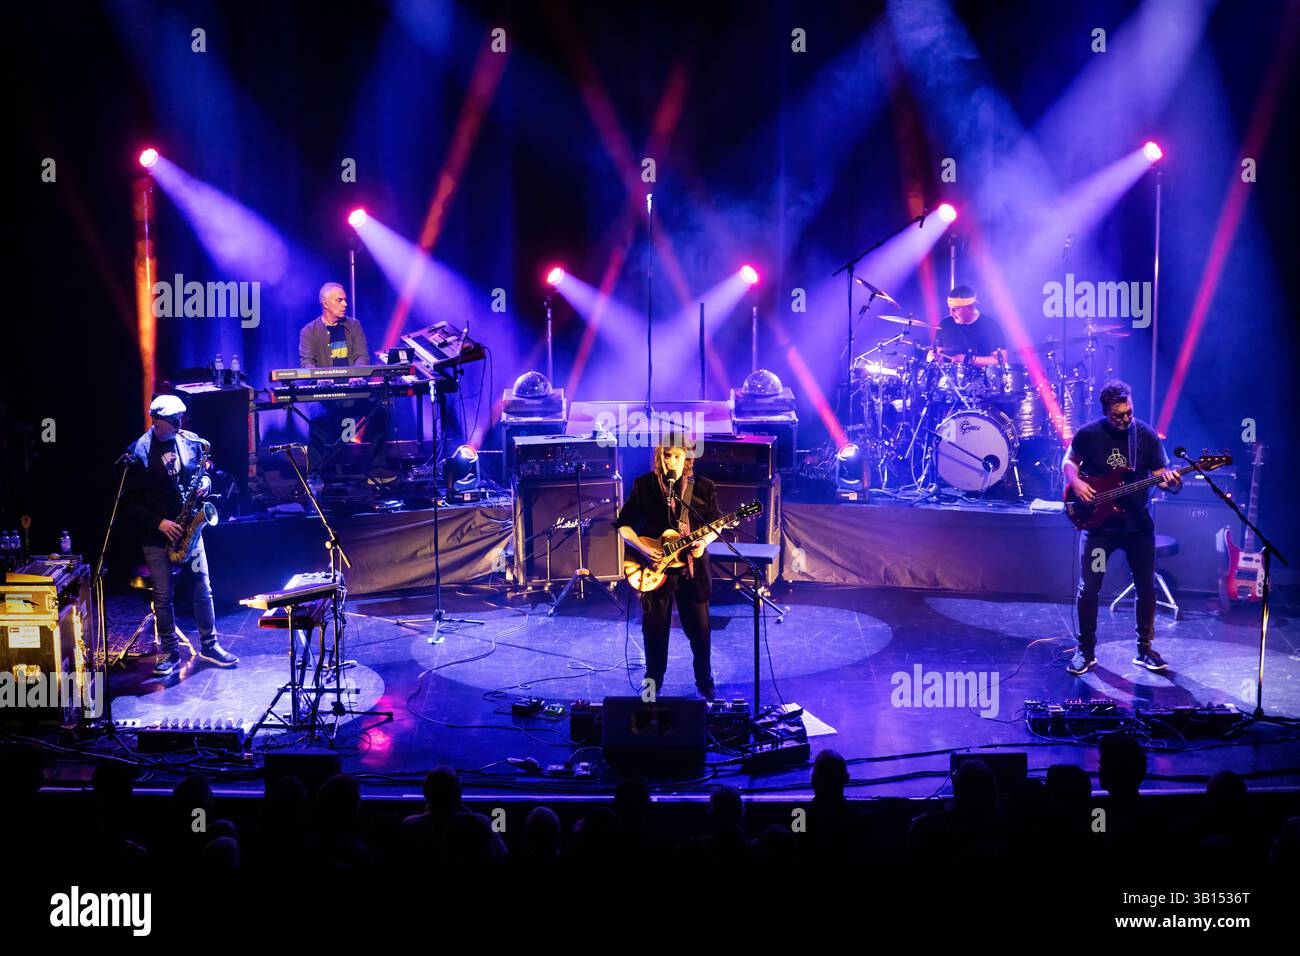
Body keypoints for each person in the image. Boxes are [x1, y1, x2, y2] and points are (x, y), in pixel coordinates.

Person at [1063, 380, 1181, 674]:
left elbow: (1160, 475)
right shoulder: (1089, 434)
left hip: (1137, 528)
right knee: (1090, 588)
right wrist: (1075, 482)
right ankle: (1085, 650)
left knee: (1146, 587)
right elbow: (1069, 461)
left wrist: (1171, 483)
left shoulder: (1145, 436)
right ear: (1106, 411)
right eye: (1118, 415)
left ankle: (1145, 649)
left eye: (1129, 412)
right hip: (1100, 530)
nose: (1126, 418)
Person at [122, 394, 238, 677]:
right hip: (156, 535)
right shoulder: (138, 452)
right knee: (163, 596)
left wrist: (205, 484)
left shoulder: (189, 441)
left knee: (202, 588)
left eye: (181, 419)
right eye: (173, 421)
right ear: (156, 421)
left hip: (189, 529)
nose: (179, 425)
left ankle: (210, 645)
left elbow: (205, 473)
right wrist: (159, 523)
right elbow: (128, 504)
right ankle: (170, 652)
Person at [614, 439, 722, 699]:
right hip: (654, 569)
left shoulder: (704, 487)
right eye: (665, 456)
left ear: (687, 458)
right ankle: (652, 686)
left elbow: (716, 523)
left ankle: (704, 683)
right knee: (654, 632)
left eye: (676, 456)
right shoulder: (645, 485)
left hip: (692, 570)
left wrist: (703, 543)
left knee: (700, 631)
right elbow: (623, 524)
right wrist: (643, 548)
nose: (670, 462)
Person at [296, 282, 386, 470]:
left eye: (345, 300)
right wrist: (319, 377)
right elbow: (307, 362)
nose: (345, 304)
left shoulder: (354, 325)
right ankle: (317, 475)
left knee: (380, 411)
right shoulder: (309, 331)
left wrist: (356, 374)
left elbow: (362, 355)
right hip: (324, 394)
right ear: (325, 303)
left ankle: (378, 469)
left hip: (353, 391)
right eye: (339, 300)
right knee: (318, 417)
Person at [932, 284, 1007, 366]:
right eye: (950, 308)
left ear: (970, 308)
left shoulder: (990, 325)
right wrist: (934, 357)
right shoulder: (945, 324)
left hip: (979, 373)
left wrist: (968, 359)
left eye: (956, 309)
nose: (951, 313)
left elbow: (1002, 360)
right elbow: (933, 352)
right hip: (947, 373)